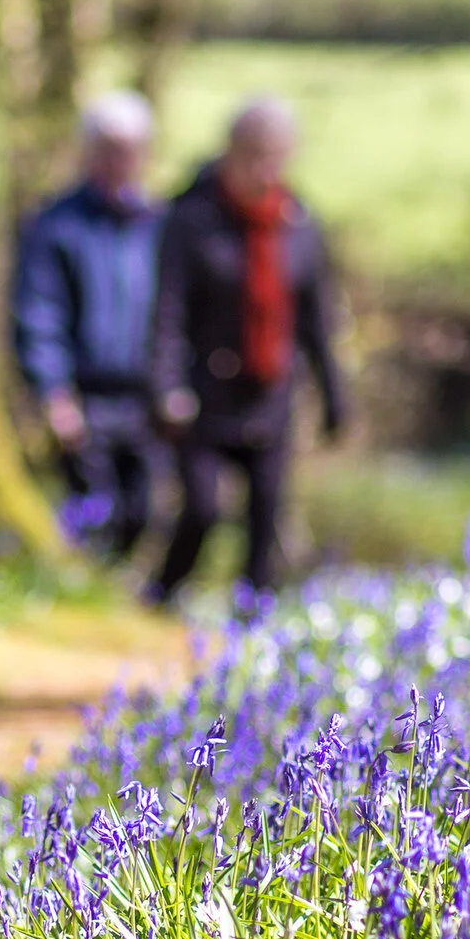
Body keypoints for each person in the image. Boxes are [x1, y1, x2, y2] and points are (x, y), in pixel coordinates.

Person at [147, 97, 344, 605]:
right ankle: (160, 596)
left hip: (270, 397)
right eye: (254, 155)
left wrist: (334, 397)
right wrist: (166, 387)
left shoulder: (298, 223)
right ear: (229, 152)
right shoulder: (191, 219)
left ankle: (252, 626)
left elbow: (317, 319)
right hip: (203, 395)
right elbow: (167, 313)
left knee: (265, 522)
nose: (263, 170)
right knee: (203, 509)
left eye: (275, 157)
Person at [10, 91, 165, 560]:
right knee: (94, 513)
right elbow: (38, 312)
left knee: (142, 512)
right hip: (83, 395)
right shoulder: (57, 225)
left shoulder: (159, 225)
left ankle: (116, 586)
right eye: (109, 149)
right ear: (88, 152)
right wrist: (54, 392)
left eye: (131, 150)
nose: (120, 161)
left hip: (144, 397)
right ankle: (82, 584)